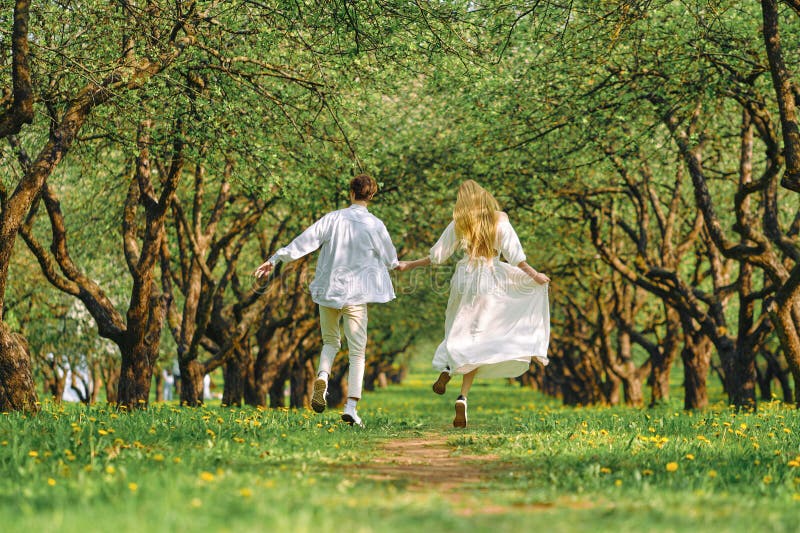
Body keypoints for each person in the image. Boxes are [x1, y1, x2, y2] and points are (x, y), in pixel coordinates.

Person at [397, 180, 550, 428]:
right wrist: (535, 276)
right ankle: (463, 396)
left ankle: (446, 371)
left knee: (457, 327)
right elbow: (516, 255)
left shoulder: (460, 222)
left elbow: (437, 256)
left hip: (465, 278)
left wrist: (408, 264)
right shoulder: (500, 219)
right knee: (478, 337)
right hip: (490, 279)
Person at [254, 174, 399, 426]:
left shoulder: (332, 219)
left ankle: (322, 375)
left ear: (351, 192)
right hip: (356, 295)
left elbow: (304, 242)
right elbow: (391, 260)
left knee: (330, 342)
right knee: (357, 352)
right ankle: (351, 407)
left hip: (329, 291)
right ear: (372, 196)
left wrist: (275, 258)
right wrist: (402, 264)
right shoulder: (376, 225)